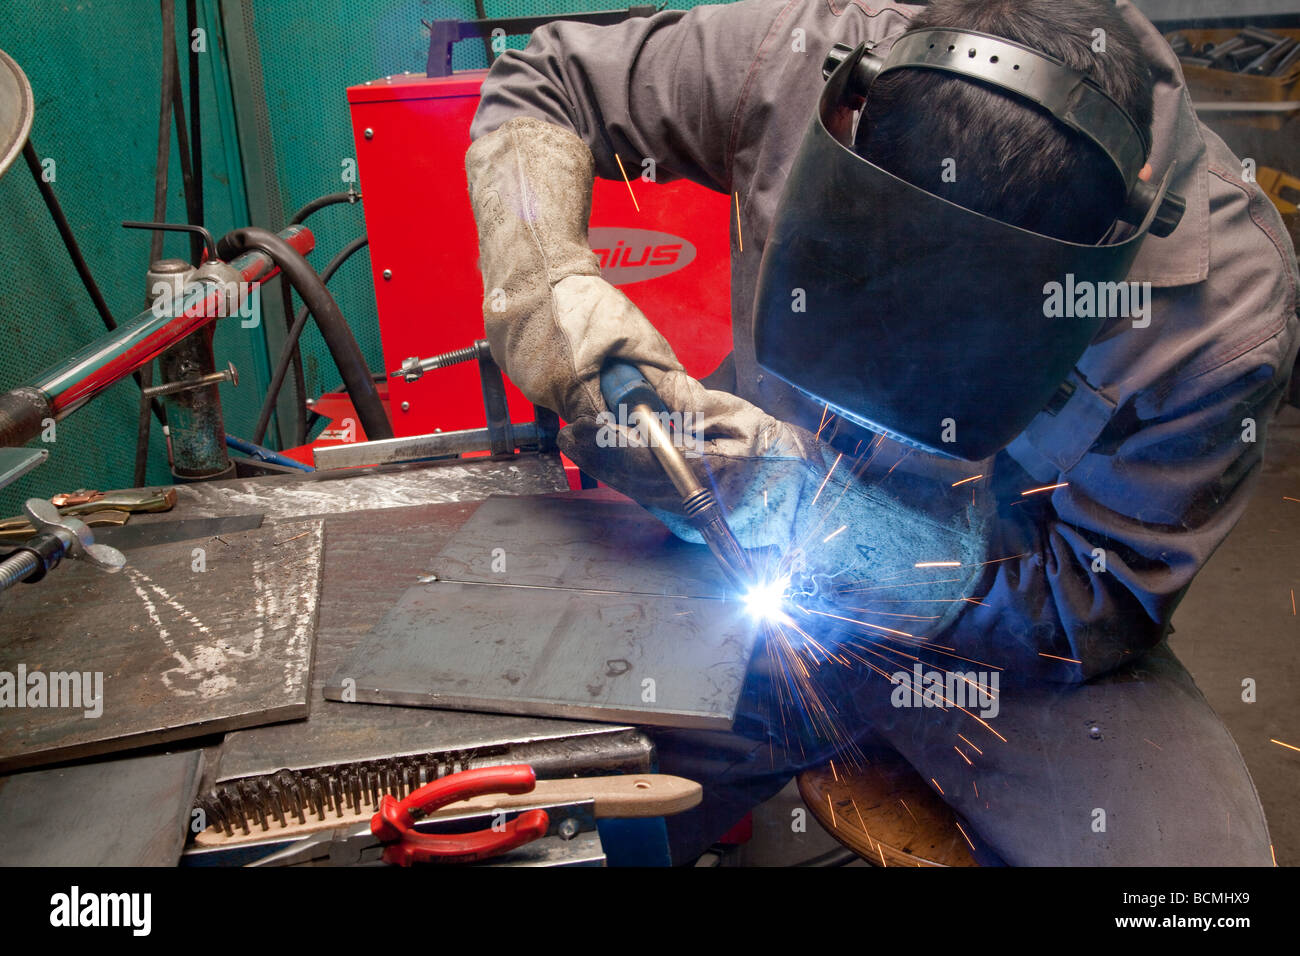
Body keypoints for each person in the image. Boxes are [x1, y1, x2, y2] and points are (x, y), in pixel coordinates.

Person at [464, 0, 1298, 864]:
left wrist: (800, 513)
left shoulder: (1222, 314)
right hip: (725, 577)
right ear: (855, 108)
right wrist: (544, 283)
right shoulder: (800, 54)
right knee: (505, 819)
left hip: (999, 664)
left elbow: (1091, 606)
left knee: (1197, 880)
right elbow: (546, 78)